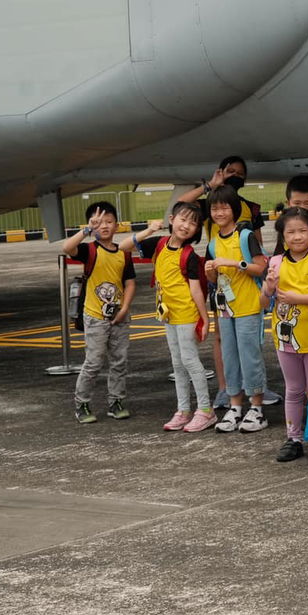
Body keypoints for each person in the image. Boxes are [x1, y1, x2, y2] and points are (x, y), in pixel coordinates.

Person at [132, 203, 212, 433]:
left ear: (197, 230)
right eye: (183, 219)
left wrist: (204, 319)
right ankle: (183, 410)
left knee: (189, 361)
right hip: (168, 314)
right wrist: (149, 230)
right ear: (171, 219)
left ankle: (205, 410)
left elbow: (196, 291)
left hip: (186, 314)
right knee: (177, 363)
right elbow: (126, 246)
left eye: (193, 223)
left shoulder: (189, 257)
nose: (186, 226)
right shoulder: (159, 244)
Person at [262, 208, 308, 462]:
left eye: (302, 230)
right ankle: (293, 437)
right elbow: (263, 302)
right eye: (290, 232)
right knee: (293, 389)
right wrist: (269, 289)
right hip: (285, 340)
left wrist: (297, 298)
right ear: (282, 236)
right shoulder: (275, 263)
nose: (297, 236)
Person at [204, 186, 270, 436]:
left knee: (250, 356)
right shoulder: (212, 243)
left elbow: (260, 267)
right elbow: (213, 279)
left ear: (233, 209)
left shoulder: (245, 236)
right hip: (225, 309)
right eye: (214, 208)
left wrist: (234, 263)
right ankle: (234, 405)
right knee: (230, 357)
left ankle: (256, 407)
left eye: (224, 207)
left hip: (248, 306)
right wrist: (211, 271)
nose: (219, 212)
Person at [64, 201, 137, 423]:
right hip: (95, 317)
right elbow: (67, 249)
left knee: (119, 361)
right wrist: (85, 231)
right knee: (93, 362)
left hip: (119, 317)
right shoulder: (89, 250)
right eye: (99, 223)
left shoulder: (123, 253)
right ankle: (82, 403)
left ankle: (116, 401)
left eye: (109, 221)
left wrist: (124, 309)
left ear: (117, 225)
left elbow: (130, 282)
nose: (104, 226)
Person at [174, 155, 263, 229]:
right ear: (221, 173)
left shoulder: (252, 208)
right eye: (230, 171)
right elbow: (182, 203)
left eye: (240, 174)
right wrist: (211, 184)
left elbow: (258, 243)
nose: (235, 175)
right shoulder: (209, 205)